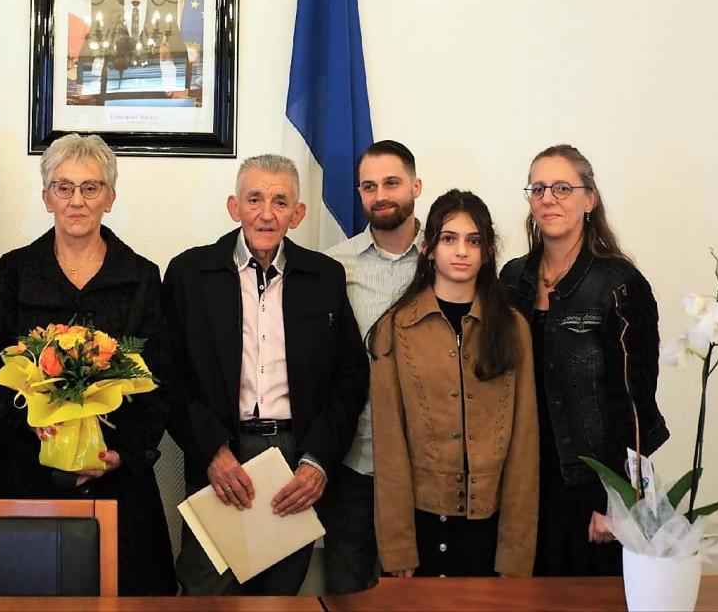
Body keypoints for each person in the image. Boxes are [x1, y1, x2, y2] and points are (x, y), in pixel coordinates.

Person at [0, 133, 176, 596]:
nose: (76, 201)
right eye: (63, 187)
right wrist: (37, 424)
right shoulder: (13, 271)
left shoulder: (142, 276)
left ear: (110, 198)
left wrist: (118, 452)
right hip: (23, 472)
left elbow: (160, 381)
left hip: (116, 476)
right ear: (46, 198)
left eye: (91, 188)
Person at [164, 154, 368, 595]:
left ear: (298, 214)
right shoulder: (188, 274)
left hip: (293, 460)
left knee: (277, 597)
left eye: (280, 202)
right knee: (205, 592)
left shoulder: (324, 277)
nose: (266, 213)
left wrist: (318, 462)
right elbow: (168, 375)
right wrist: (210, 452)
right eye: (254, 199)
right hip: (219, 452)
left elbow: (349, 380)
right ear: (234, 206)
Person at [500, 144, 668, 576]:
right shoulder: (512, 277)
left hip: (589, 483)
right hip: (522, 479)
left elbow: (636, 403)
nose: (548, 198)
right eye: (538, 188)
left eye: (562, 187)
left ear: (589, 199)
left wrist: (617, 500)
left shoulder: (620, 285)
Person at [371, 189, 539, 578]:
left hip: (491, 524)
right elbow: (389, 447)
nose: (461, 251)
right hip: (424, 521)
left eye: (473, 240)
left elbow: (524, 446)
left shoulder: (513, 329)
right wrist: (398, 550)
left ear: (487, 251)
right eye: (449, 239)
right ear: (428, 249)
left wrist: (515, 553)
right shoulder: (396, 329)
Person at [320, 140, 423, 593]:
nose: (380, 194)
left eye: (392, 183)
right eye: (368, 186)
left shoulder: (451, 260)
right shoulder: (333, 268)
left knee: (423, 599)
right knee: (348, 595)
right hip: (354, 464)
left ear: (416, 186)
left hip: (427, 469)